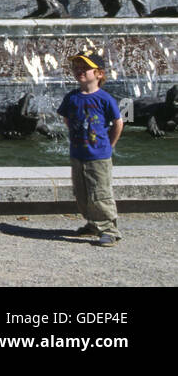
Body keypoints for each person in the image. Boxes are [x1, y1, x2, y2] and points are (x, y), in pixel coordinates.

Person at [58, 50, 124, 247]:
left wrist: (109, 145)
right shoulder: (72, 97)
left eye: (85, 67)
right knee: (82, 192)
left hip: (99, 156)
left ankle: (109, 230)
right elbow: (67, 119)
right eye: (76, 67)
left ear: (99, 74)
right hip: (78, 154)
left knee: (100, 192)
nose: (80, 70)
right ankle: (93, 223)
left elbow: (118, 123)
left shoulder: (105, 99)